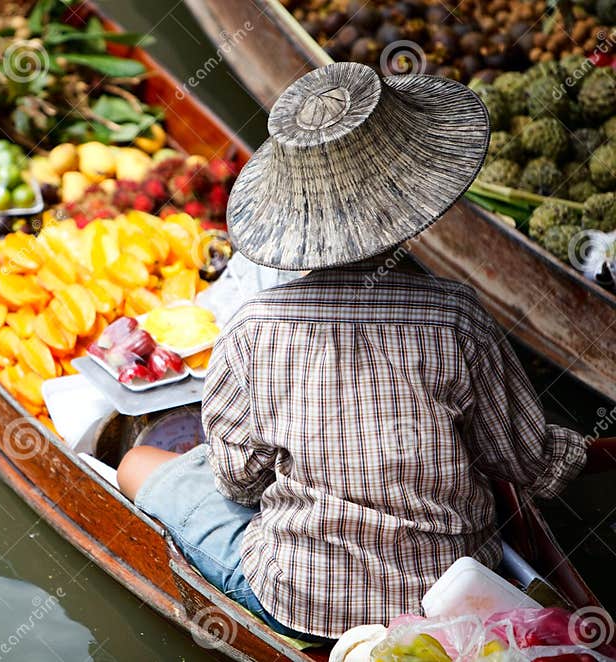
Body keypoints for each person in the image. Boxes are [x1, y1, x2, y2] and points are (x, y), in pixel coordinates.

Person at [116, 62, 590, 643]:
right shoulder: (456, 317)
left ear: (294, 218)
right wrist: (584, 450)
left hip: (300, 599)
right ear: (410, 191)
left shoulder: (254, 329)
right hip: (451, 594)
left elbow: (238, 481)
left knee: (137, 464)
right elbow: (528, 465)